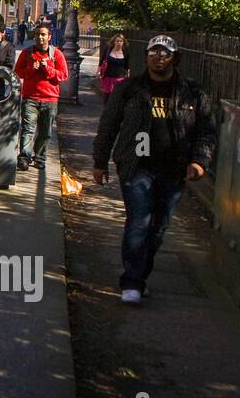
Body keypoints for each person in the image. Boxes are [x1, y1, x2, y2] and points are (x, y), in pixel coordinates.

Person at [92, 35, 216, 304]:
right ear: (146, 56)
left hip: (174, 168)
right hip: (137, 166)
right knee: (139, 221)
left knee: (159, 227)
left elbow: (206, 131)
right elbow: (108, 125)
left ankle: (140, 275)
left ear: (175, 57)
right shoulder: (129, 89)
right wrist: (100, 162)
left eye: (165, 53)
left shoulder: (192, 93)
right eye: (153, 52)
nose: (159, 57)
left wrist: (199, 161)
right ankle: (132, 282)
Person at [15, 24, 67, 170]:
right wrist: (32, 68)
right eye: (38, 34)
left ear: (49, 37)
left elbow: (63, 76)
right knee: (28, 129)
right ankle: (24, 157)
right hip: (30, 97)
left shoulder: (56, 54)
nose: (40, 37)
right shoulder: (27, 53)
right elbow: (17, 72)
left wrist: (47, 69)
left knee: (45, 132)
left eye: (43, 34)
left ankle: (39, 158)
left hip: (50, 99)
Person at [98, 32, 131, 101]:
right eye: (117, 41)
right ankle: (107, 111)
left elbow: (127, 66)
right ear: (114, 42)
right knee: (107, 98)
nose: (119, 43)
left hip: (119, 79)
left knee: (117, 98)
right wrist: (98, 72)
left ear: (123, 42)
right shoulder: (108, 50)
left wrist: (128, 77)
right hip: (108, 78)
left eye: (121, 41)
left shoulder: (126, 52)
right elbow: (101, 62)